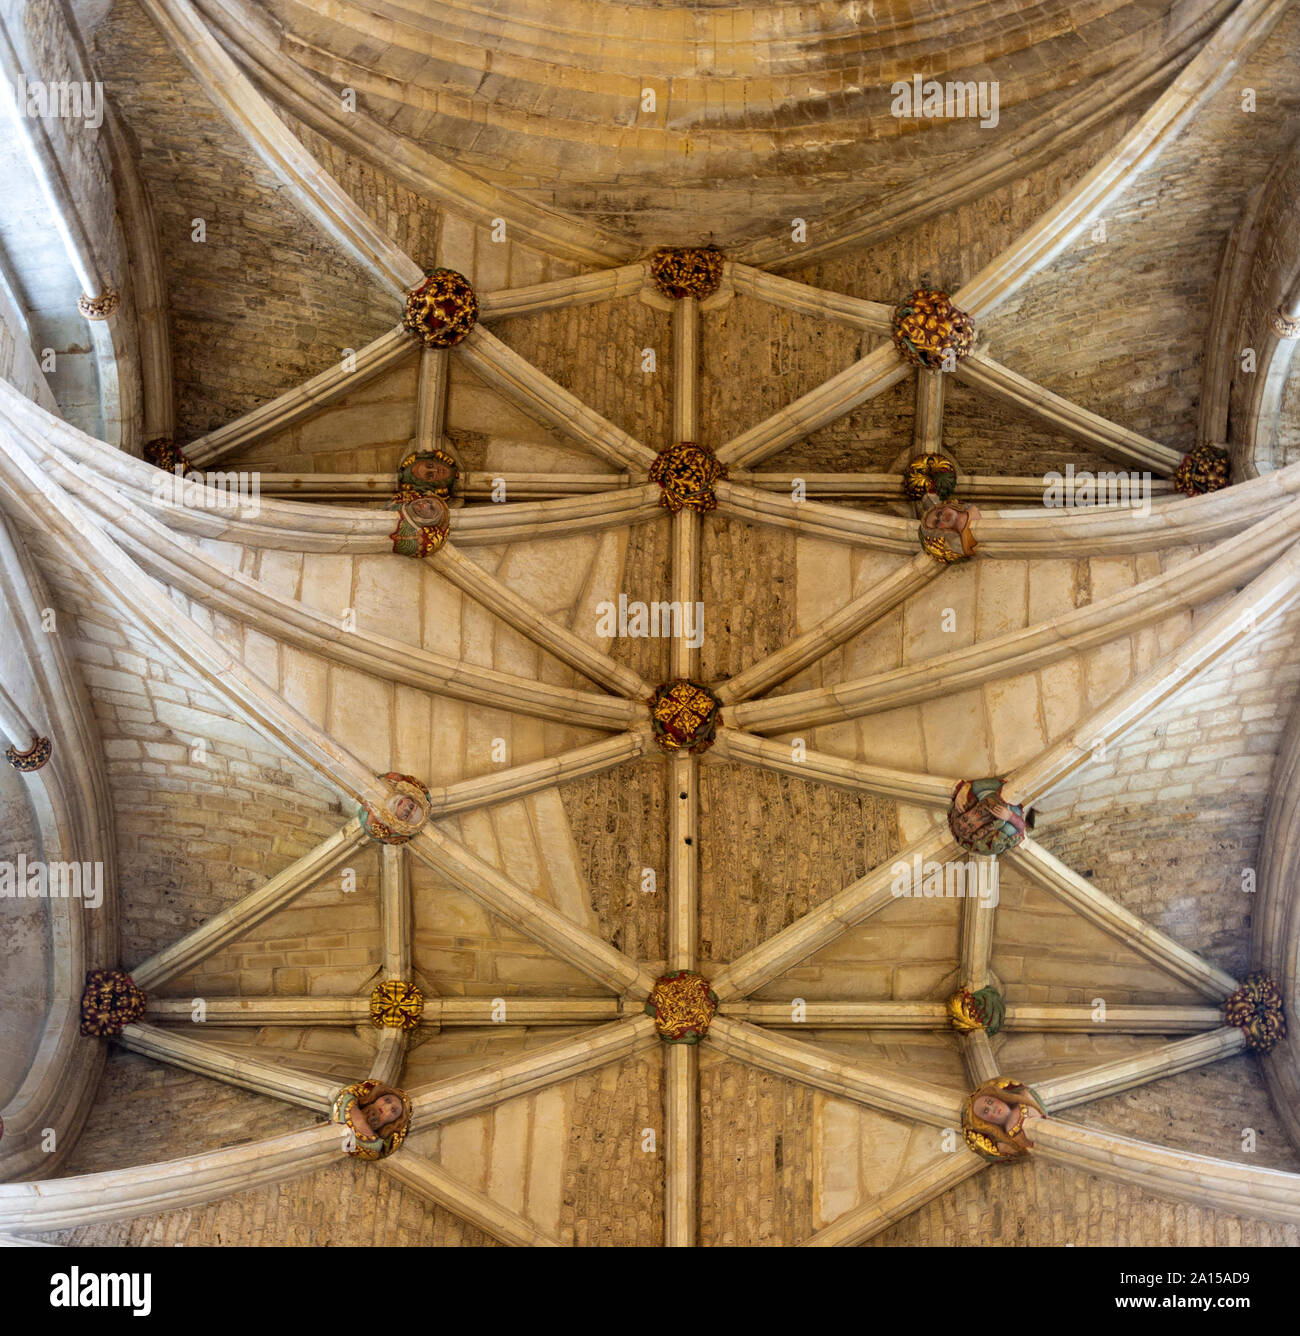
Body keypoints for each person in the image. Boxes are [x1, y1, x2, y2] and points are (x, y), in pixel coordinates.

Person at [962, 1078, 1046, 1160]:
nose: (993, 1108)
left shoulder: (1025, 1096)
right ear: (986, 1122)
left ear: (998, 1097)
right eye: (986, 1111)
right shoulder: (1004, 1145)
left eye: (990, 1102)